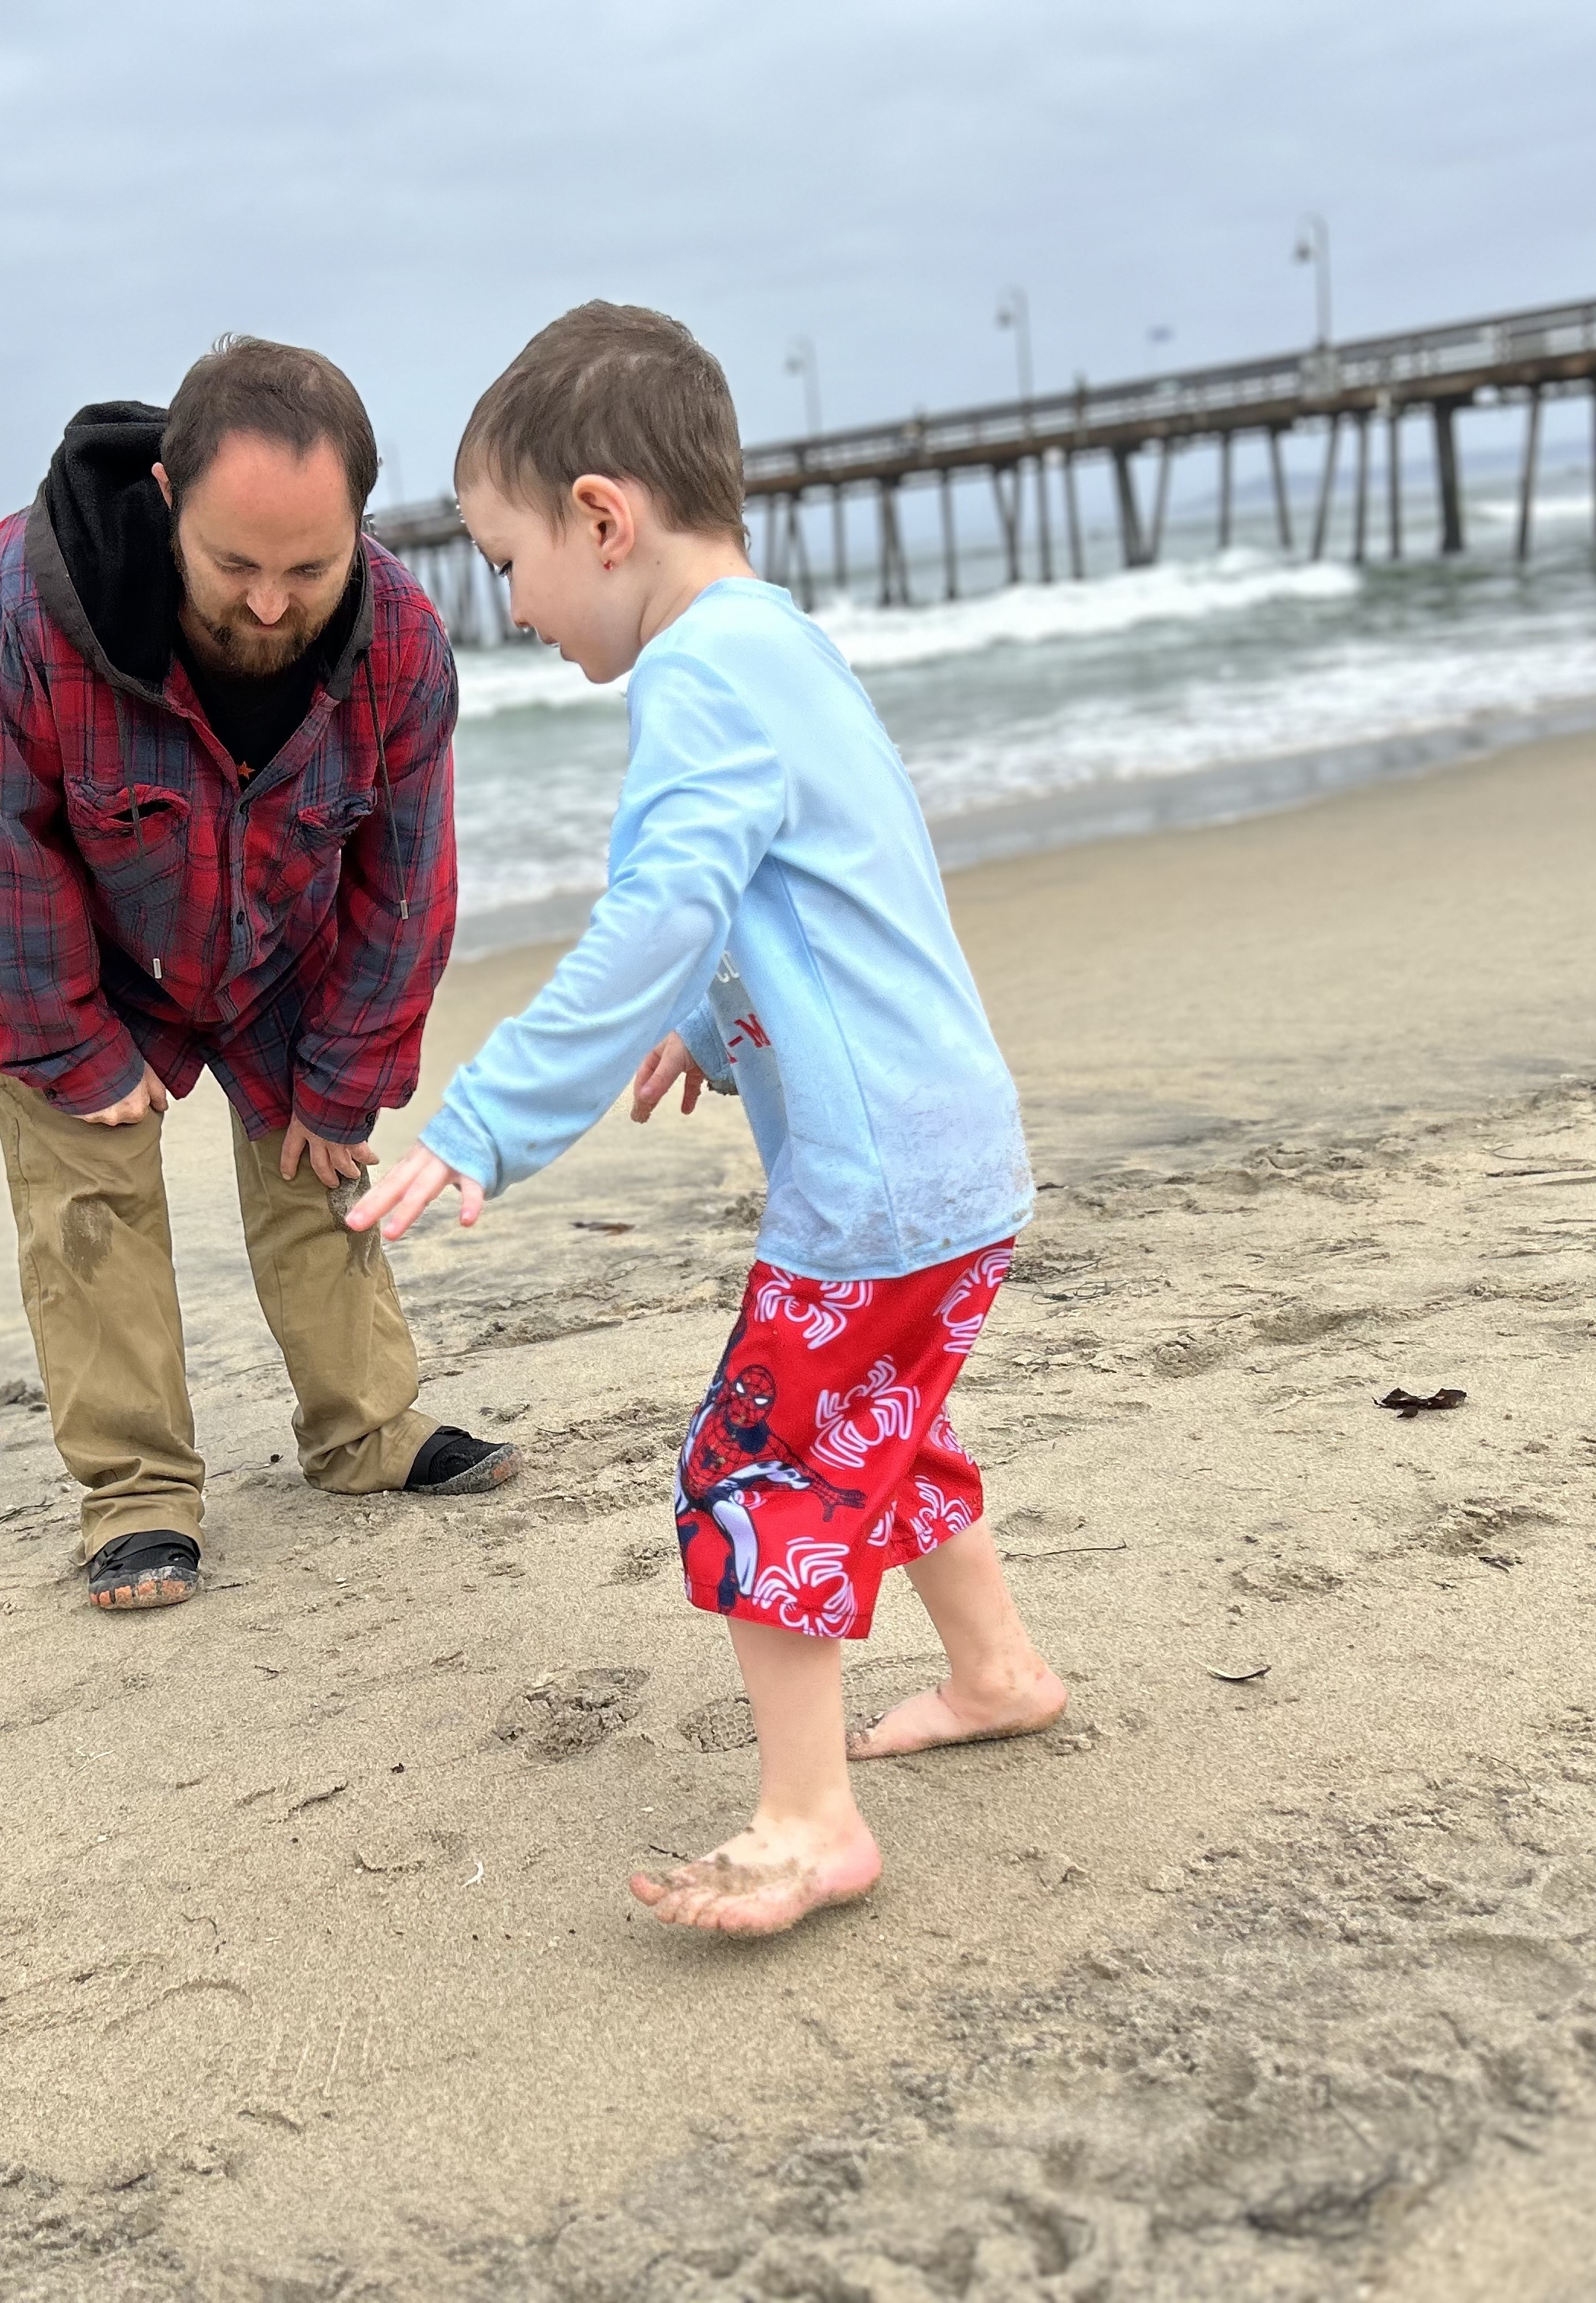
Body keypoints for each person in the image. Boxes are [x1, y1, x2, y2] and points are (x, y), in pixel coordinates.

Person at [351, 304, 1065, 1935]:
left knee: (760, 1472)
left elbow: (664, 906)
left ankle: (810, 1821)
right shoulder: (782, 644)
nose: (508, 606)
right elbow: (820, 884)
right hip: (957, 1151)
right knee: (883, 1428)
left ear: (604, 518)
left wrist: (487, 1122)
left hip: (877, 1182)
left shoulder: (696, 683)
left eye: (505, 557)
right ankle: (996, 1668)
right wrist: (711, 1033)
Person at [0, 337, 518, 1615]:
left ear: (360, 529)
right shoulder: (31, 605)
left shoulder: (405, 649)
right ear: (165, 498)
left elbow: (404, 887)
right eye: (235, 566)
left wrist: (347, 1074)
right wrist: (69, 1048)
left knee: (324, 1166)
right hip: (76, 947)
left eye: (309, 570)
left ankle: (367, 1430)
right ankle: (139, 1501)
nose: (270, 605)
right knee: (88, 1208)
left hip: (284, 937)